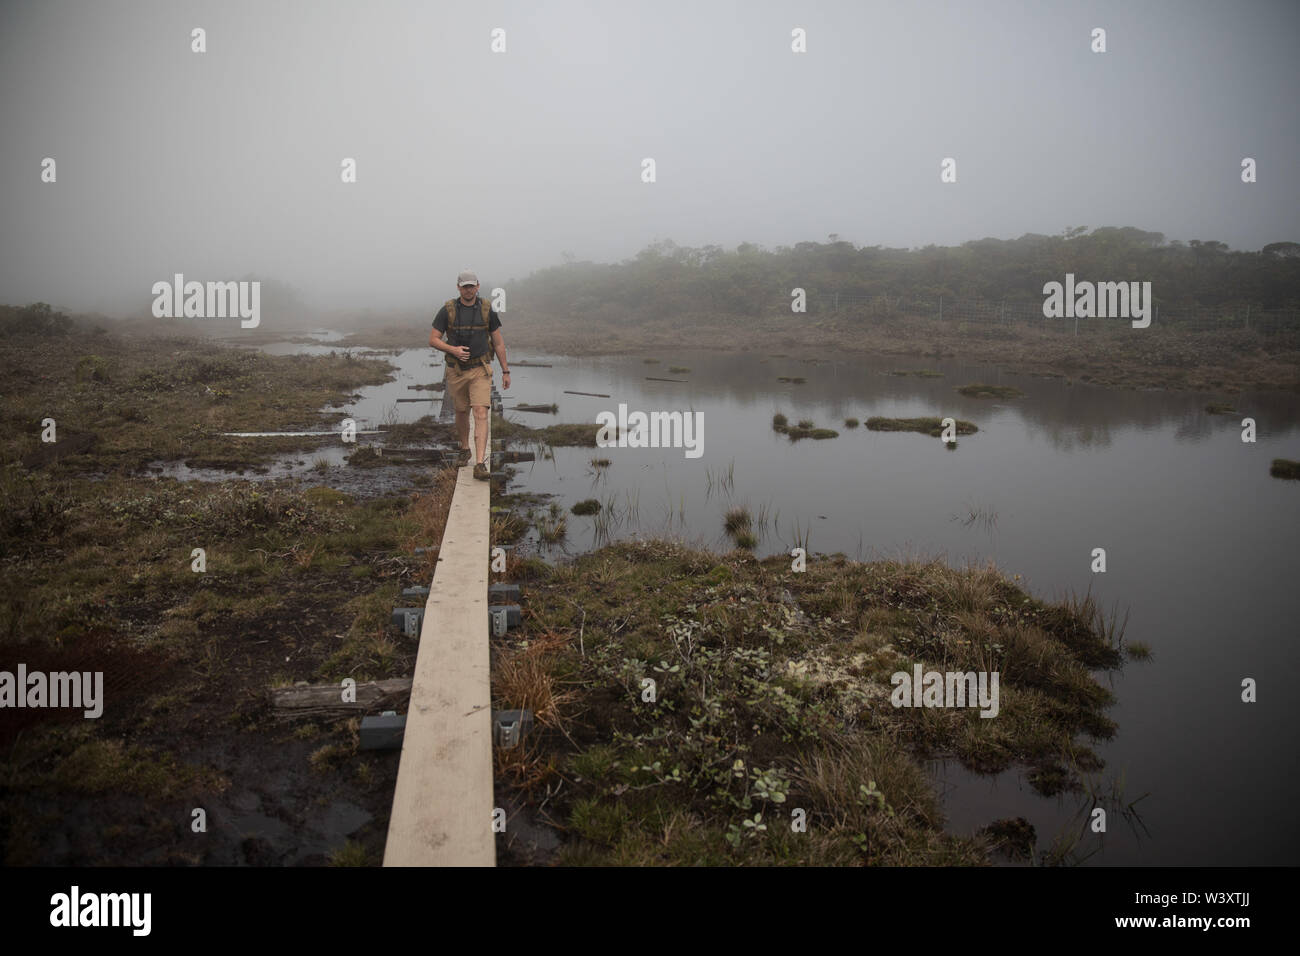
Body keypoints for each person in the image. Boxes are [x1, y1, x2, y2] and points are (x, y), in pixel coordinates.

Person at [428, 270, 510, 479]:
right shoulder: (448, 310)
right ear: (458, 288)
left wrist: (505, 370)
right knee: (462, 412)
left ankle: (480, 463)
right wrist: (452, 350)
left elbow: (498, 342)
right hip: (456, 370)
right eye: (465, 286)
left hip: (480, 369)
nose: (468, 289)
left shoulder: (486, 309)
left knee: (481, 412)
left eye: (471, 286)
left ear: (478, 286)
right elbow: (433, 339)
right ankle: (465, 448)